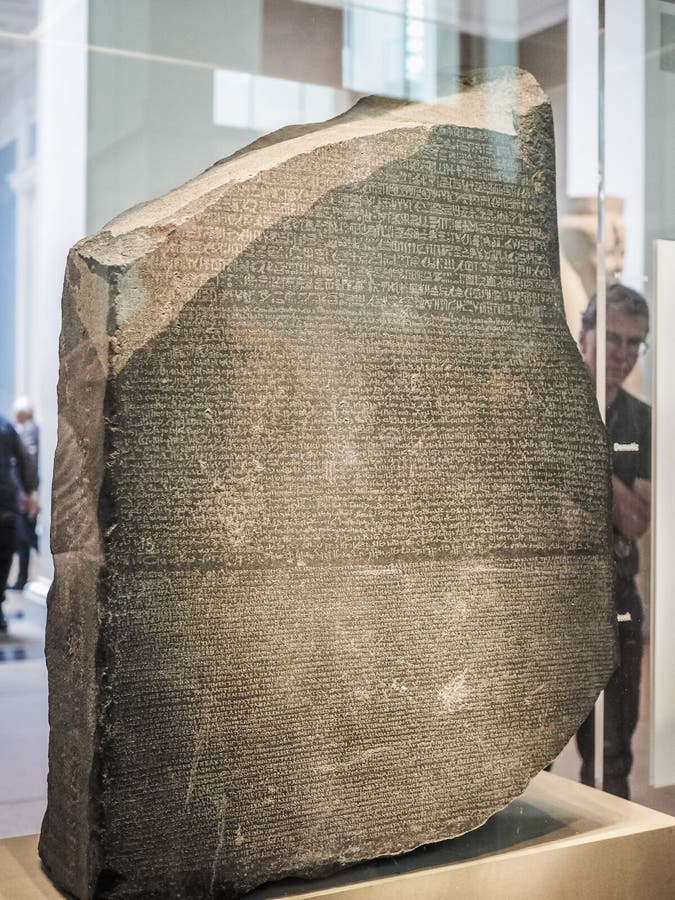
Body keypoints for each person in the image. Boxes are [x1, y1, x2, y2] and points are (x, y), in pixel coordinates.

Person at [576, 283, 651, 799]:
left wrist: (590, 463)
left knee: (614, 754)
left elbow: (636, 521)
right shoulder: (550, 405)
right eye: (614, 338)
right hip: (556, 600)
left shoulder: (639, 418)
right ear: (585, 334)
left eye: (634, 343)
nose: (623, 353)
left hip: (618, 593)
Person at [0, 413, 38, 632]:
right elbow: (24, 458)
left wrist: (31, 490)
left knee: (5, 554)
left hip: (5, 503)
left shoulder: (5, 426)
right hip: (6, 503)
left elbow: (24, 459)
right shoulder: (5, 426)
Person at [10, 396, 39, 591]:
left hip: (26, 494)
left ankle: (23, 578)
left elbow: (28, 461)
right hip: (27, 492)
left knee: (24, 537)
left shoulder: (27, 431)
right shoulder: (30, 430)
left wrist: (29, 493)